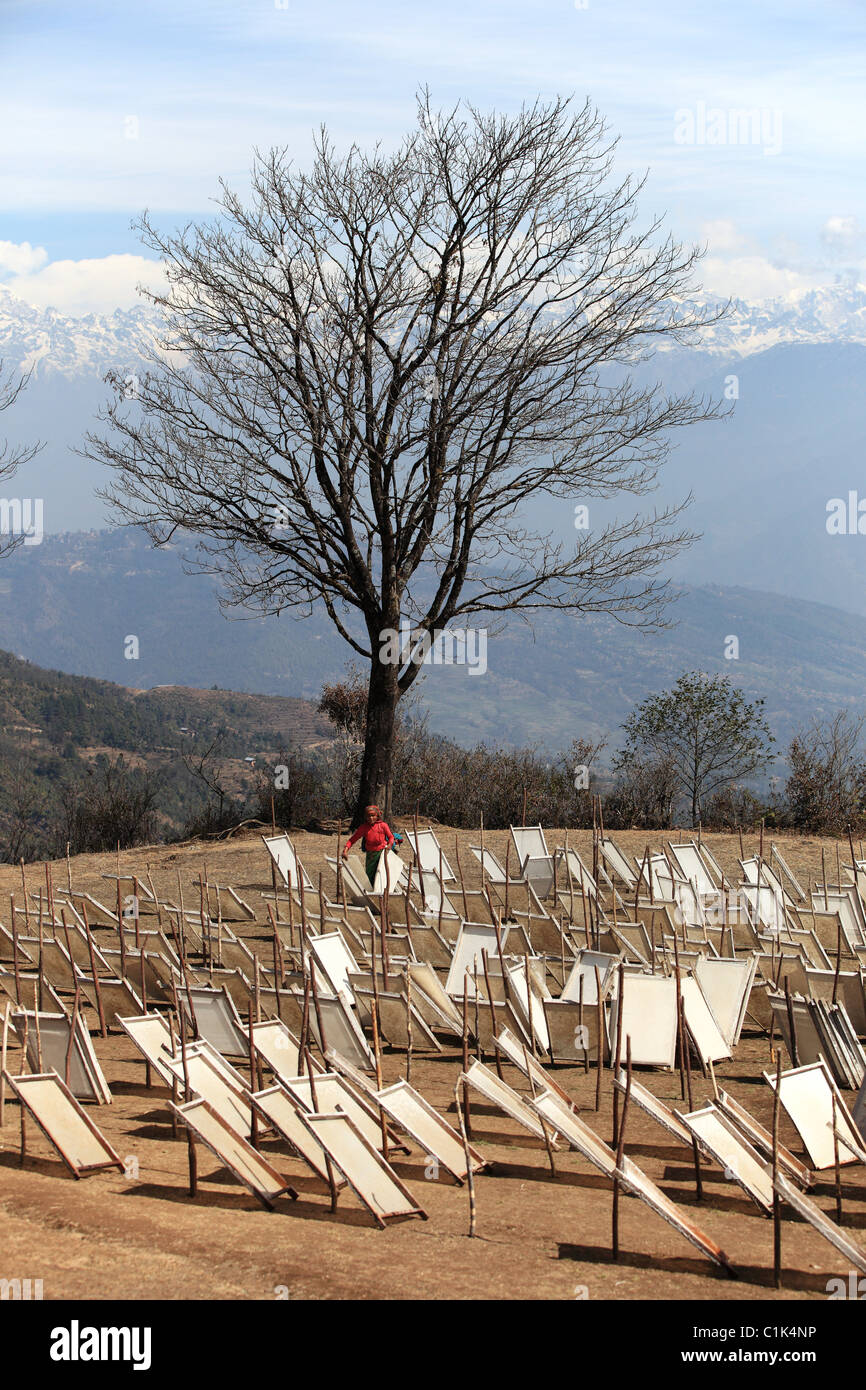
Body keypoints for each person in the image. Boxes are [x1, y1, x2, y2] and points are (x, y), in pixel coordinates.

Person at [342, 803, 396, 888]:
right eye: (368, 816)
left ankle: (382, 891)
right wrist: (345, 850)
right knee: (370, 875)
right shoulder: (363, 828)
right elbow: (352, 839)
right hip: (370, 855)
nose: (371, 818)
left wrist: (389, 844)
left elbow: (391, 837)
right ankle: (371, 891)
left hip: (382, 853)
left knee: (381, 873)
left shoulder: (383, 826)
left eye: (373, 815)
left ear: (377, 815)